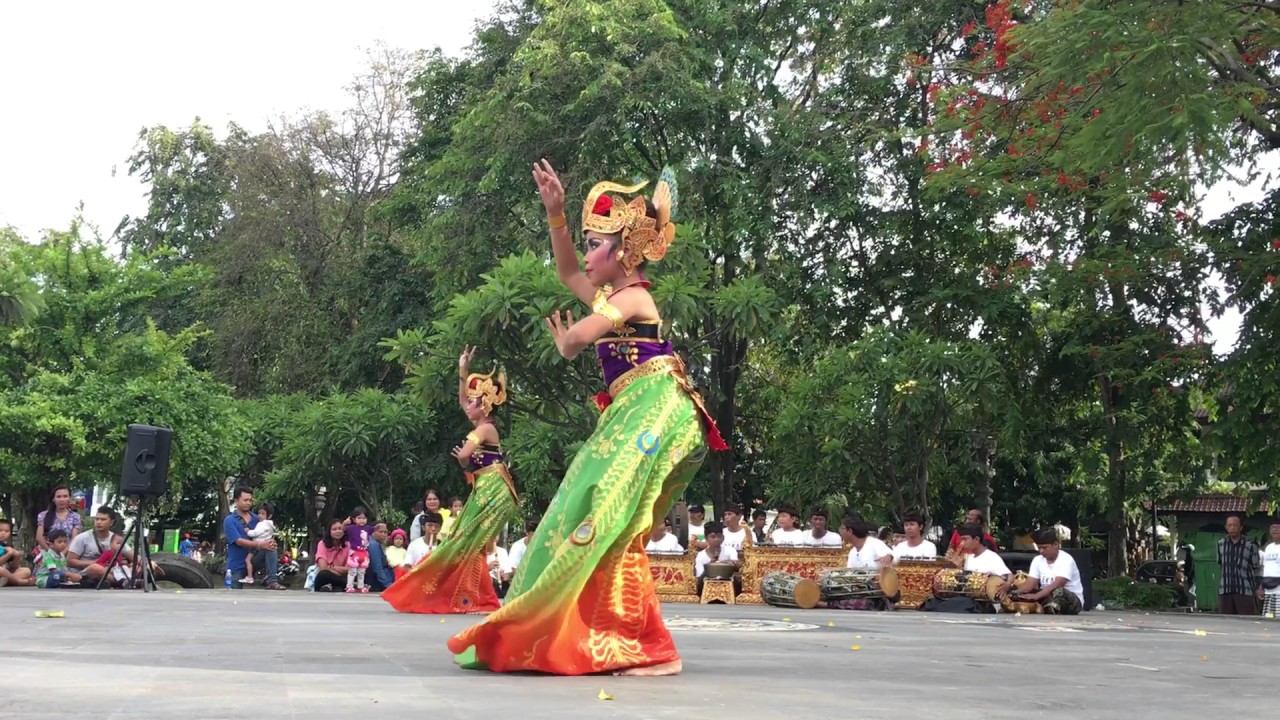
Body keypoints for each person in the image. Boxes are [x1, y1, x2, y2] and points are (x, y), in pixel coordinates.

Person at [448, 161, 726, 676]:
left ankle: (650, 650)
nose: (588, 252)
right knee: (589, 515)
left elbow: (577, 340)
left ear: (622, 250)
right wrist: (554, 214)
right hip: (634, 410)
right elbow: (568, 275)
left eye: (595, 241)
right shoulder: (612, 294)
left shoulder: (635, 297)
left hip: (660, 407)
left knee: (609, 514)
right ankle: (606, 636)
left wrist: (568, 339)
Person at [382, 346, 522, 614]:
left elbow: (466, 455)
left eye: (473, 402)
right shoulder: (482, 423)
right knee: (465, 541)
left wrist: (462, 460)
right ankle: (471, 596)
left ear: (484, 406)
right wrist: (462, 369)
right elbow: (462, 401)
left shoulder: (485, 428)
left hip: (493, 489)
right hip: (487, 488)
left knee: (465, 541)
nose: (467, 405)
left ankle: (462, 595)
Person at [222, 487, 285, 591]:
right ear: (236, 501)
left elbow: (267, 533)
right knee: (233, 595)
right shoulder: (229, 520)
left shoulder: (258, 518)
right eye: (245, 500)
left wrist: (270, 542)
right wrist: (260, 544)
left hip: (254, 560)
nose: (248, 503)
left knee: (270, 545)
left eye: (250, 500)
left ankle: (272, 581)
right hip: (237, 566)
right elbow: (238, 541)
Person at [1012, 529, 1084, 614]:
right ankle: (1043, 606)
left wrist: (1036, 596)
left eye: (1044, 548)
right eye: (1039, 548)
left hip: (1069, 599)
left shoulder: (1066, 559)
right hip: (1046, 595)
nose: (1041, 551)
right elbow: (1030, 583)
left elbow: (1058, 584)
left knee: (1059, 591)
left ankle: (1046, 607)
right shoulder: (1037, 560)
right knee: (1021, 595)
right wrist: (1016, 593)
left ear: (1056, 545)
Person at [946, 523, 1013, 599]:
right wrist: (954, 565)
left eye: (965, 539)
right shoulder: (968, 557)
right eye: (961, 539)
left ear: (976, 539)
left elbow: (1008, 575)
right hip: (968, 600)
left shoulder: (991, 556)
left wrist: (1008, 583)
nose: (962, 543)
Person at [67, 507, 130, 586]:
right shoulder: (82, 538)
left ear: (111, 522)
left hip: (113, 570)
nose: (99, 522)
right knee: (95, 568)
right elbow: (70, 561)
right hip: (89, 572)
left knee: (139, 566)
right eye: (97, 519)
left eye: (103, 520)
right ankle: (123, 582)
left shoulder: (116, 538)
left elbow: (133, 556)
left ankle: (122, 581)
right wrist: (95, 562)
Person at [1217, 513, 1263, 615]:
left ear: (1241, 527)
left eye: (1235, 525)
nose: (1232, 528)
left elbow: (1256, 568)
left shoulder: (1250, 545)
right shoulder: (1221, 544)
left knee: (1246, 622)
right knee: (1225, 621)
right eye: (1229, 525)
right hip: (1225, 589)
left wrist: (1257, 588)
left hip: (1245, 590)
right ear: (1226, 527)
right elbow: (1221, 565)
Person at [694, 521, 739, 594]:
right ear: (706, 539)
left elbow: (736, 565)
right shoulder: (701, 556)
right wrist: (710, 566)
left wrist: (724, 562)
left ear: (723, 538)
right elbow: (699, 577)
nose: (716, 539)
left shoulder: (730, 550)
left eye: (719, 536)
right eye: (713, 537)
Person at [35, 485, 82, 553]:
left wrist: (63, 554)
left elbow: (74, 539)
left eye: (65, 496)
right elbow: (39, 537)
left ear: (69, 498)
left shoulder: (75, 517)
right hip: (46, 554)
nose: (62, 499)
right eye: (58, 497)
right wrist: (51, 553)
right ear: (53, 499)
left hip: (67, 554)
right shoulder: (43, 515)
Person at [241, 504, 277, 585]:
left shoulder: (262, 524)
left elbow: (255, 533)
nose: (259, 516)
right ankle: (271, 578)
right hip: (261, 548)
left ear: (269, 516)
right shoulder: (269, 525)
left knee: (247, 560)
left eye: (262, 514)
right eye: (259, 513)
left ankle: (249, 577)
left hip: (257, 547)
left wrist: (248, 531)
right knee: (271, 548)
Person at [343, 507, 374, 593]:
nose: (362, 520)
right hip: (354, 552)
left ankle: (360, 586)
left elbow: (375, 529)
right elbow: (343, 529)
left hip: (364, 553)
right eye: (359, 518)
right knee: (352, 571)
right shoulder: (351, 528)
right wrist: (345, 523)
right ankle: (349, 586)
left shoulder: (368, 528)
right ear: (354, 519)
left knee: (362, 571)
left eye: (364, 518)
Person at [312, 520, 350, 592]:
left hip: (340, 578)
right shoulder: (322, 544)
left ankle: (335, 587)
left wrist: (332, 567)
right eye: (334, 529)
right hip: (326, 578)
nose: (338, 531)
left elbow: (350, 569)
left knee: (349, 577)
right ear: (329, 532)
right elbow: (323, 568)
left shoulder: (348, 545)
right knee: (323, 574)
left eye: (340, 528)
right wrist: (340, 572)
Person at [0, 518, 34, 587]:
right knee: (1, 570)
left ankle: (8, 581)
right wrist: (8, 554)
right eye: (0, 530)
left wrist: (17, 556)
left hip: (5, 575)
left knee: (26, 570)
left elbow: (14, 567)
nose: (3, 533)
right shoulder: (7, 550)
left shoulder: (7, 546)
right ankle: (18, 582)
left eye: (7, 531)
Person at [365, 522, 395, 592]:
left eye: (385, 532)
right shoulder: (373, 545)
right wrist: (388, 585)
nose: (383, 535)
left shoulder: (376, 543)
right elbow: (377, 568)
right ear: (373, 532)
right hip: (377, 583)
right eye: (380, 532)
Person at [1262, 517, 1280, 618]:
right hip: (1268, 591)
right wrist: (1261, 587)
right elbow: (1265, 568)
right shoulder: (1269, 547)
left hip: (1279, 591)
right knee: (1268, 619)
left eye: (1277, 527)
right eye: (1272, 528)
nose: (1274, 530)